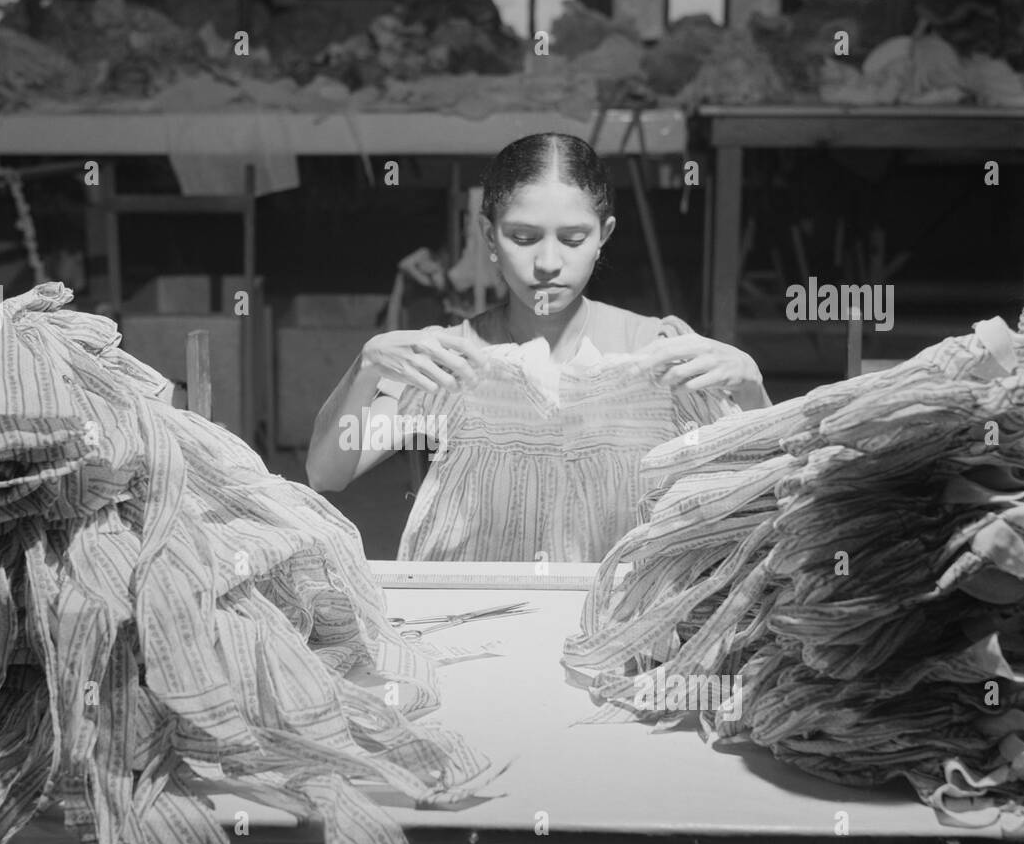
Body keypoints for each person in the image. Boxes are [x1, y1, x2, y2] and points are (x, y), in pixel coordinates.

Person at [306, 132, 770, 562]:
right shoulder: (453, 358)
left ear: (604, 235)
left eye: (573, 239)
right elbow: (327, 474)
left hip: (619, 618)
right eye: (523, 238)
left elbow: (772, 490)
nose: (548, 263)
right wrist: (364, 368)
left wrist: (753, 391)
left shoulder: (657, 352)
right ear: (489, 235)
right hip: (480, 619)